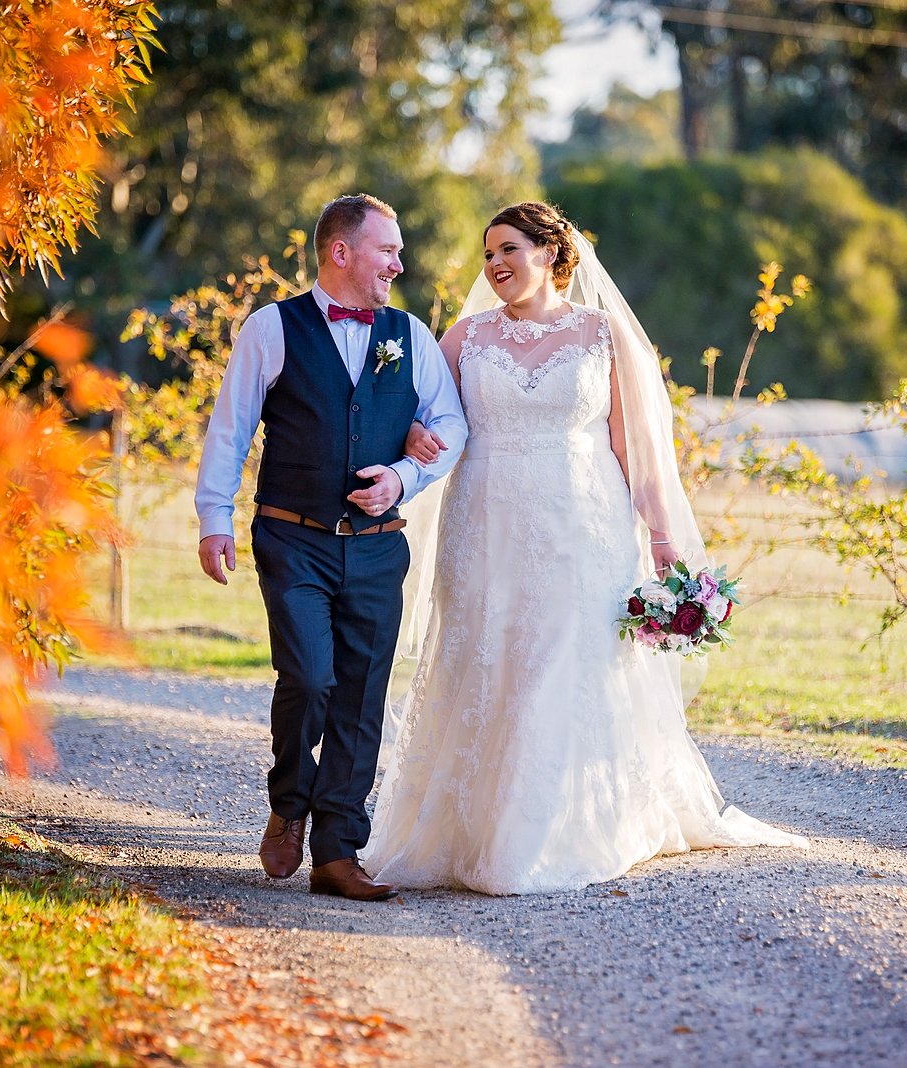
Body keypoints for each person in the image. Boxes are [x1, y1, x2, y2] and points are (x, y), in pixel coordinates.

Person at [363, 202, 806, 896]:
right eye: (487, 255)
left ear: (550, 252)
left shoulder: (603, 335)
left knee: (560, 663)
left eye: (508, 248)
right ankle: (467, 831)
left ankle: (536, 836)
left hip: (582, 525)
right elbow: (419, 417)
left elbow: (636, 448)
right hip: (483, 526)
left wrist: (660, 537)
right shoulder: (466, 337)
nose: (495, 265)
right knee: (490, 657)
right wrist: (414, 439)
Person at [194, 193, 466, 901]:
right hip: (294, 538)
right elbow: (231, 429)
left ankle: (339, 851)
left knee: (362, 698)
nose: (398, 264)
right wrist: (213, 517)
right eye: (387, 250)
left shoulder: (410, 334)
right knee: (311, 678)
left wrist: (404, 478)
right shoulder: (271, 328)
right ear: (341, 252)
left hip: (379, 547)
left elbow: (452, 426)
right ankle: (290, 801)